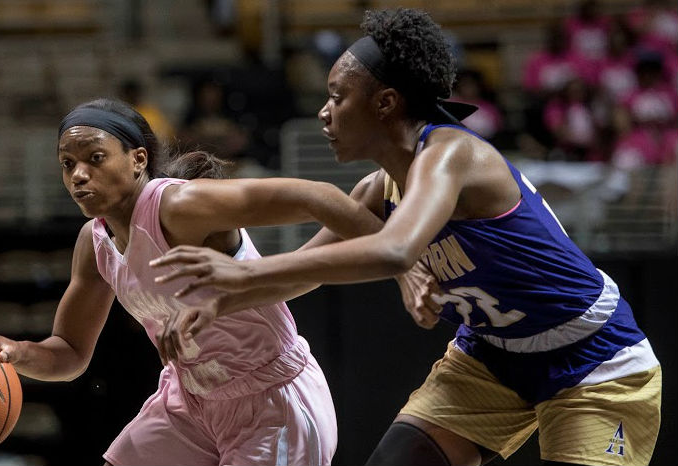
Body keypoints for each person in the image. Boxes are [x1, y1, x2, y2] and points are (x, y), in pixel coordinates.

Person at [151, 8, 663, 466]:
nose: (324, 112)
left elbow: (396, 249)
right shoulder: (377, 188)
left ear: (385, 103)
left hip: (595, 360)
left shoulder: (451, 154)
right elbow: (298, 277)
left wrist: (244, 271)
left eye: (337, 96)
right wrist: (220, 300)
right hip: (491, 358)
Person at [0, 97, 395, 465]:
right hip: (190, 401)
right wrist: (12, 354)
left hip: (271, 401)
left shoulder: (179, 207)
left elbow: (316, 196)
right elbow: (70, 354)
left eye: (94, 158)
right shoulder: (92, 243)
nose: (78, 175)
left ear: (137, 160)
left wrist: (399, 252)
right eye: (67, 163)